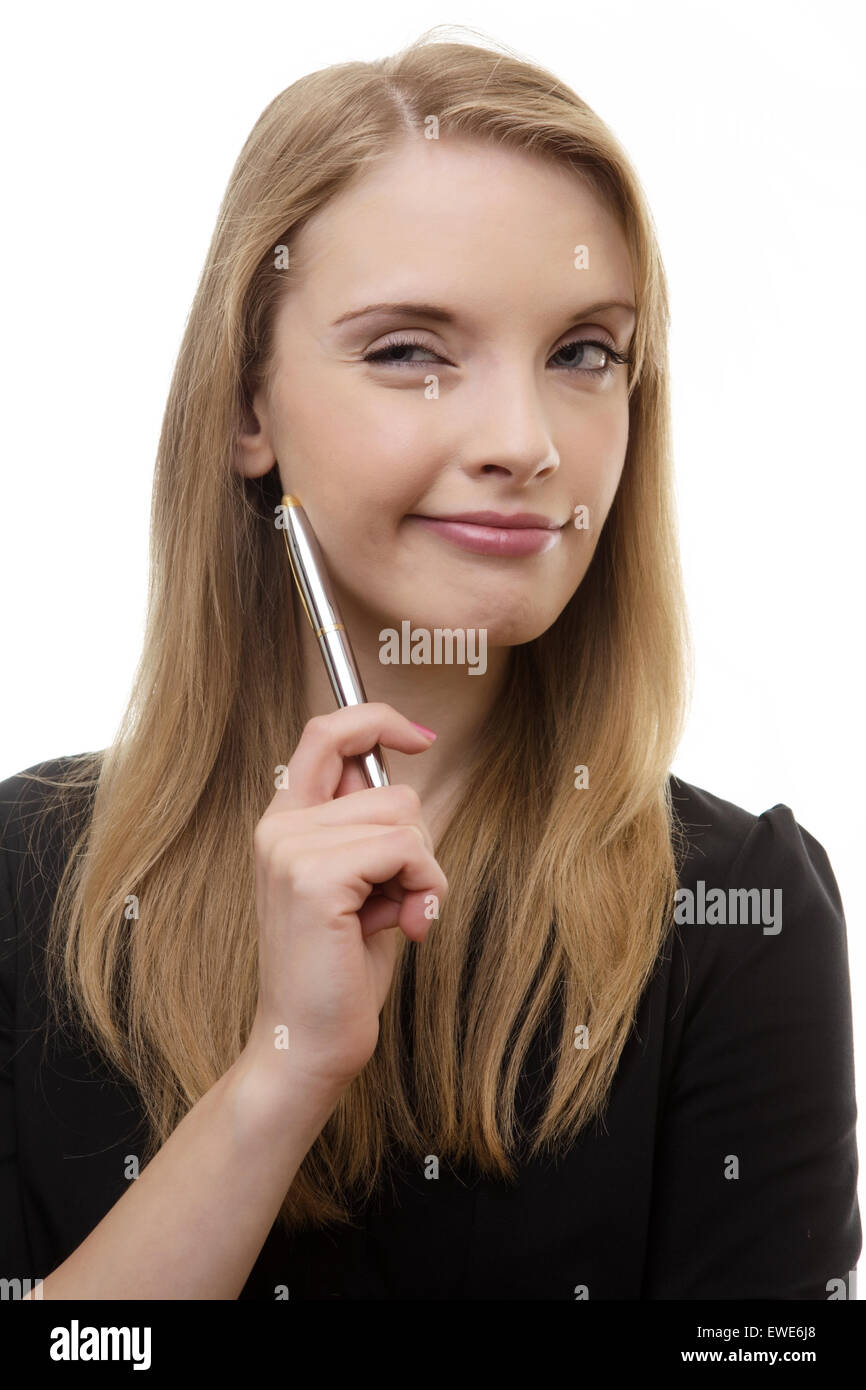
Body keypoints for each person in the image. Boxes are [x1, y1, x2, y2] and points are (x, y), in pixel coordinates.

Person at [1, 30, 860, 1301]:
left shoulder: (734, 915)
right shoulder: (29, 876)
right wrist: (281, 1074)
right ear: (249, 409)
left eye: (583, 353)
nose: (523, 441)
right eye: (409, 350)